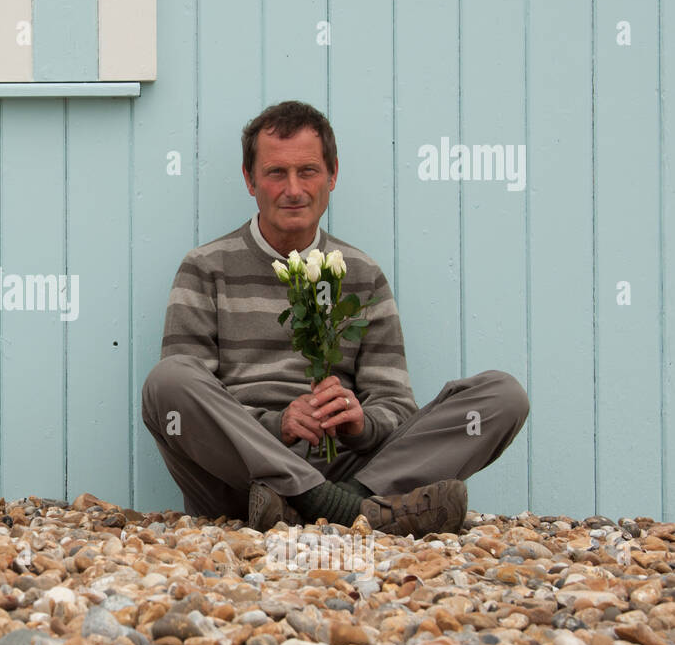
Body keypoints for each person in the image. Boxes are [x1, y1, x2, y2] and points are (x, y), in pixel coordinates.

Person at [141, 101, 529, 535]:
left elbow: (397, 407)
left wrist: (361, 424)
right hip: (242, 483)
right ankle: (346, 510)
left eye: (307, 171)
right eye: (275, 173)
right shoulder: (205, 268)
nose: (293, 189)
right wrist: (278, 425)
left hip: (350, 466)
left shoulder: (361, 274)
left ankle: (338, 501)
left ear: (332, 175)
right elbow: (188, 402)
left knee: (503, 396)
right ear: (250, 180)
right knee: (167, 381)